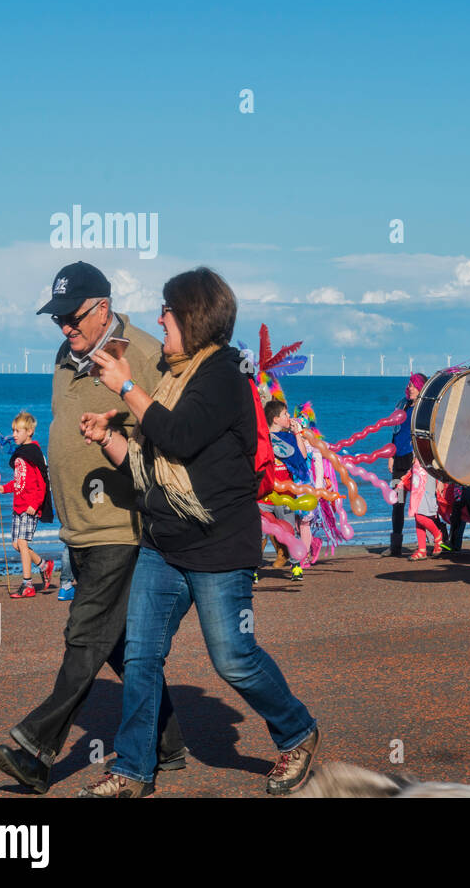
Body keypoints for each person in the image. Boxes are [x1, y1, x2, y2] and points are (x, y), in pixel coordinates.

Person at [77, 267, 318, 797]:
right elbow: (151, 460)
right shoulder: (171, 377)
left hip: (218, 546)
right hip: (164, 544)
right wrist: (109, 440)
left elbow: (180, 437)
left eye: (167, 310)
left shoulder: (223, 378)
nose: (159, 318)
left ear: (193, 316)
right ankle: (134, 768)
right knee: (141, 657)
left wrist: (125, 385)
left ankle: (296, 731)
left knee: (233, 657)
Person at [0, 260, 185, 796]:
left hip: (122, 527)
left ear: (103, 308)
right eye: (56, 319)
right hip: (80, 527)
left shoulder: (142, 354)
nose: (64, 328)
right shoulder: (66, 352)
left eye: (72, 317)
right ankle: (167, 743)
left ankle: (36, 748)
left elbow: (170, 432)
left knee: (84, 637)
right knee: (117, 644)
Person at [0, 412, 56, 598]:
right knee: (16, 545)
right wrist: (3, 489)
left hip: (30, 507)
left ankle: (27, 584)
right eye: (13, 430)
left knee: (22, 542)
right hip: (18, 505)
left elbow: (42, 484)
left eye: (17, 430)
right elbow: (19, 481)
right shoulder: (20, 454)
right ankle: (44, 565)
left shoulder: (33, 453)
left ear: (29, 431)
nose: (13, 434)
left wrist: (35, 504)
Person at [264, 399, 314, 580]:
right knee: (257, 533)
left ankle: (296, 565)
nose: (289, 417)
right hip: (264, 495)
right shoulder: (262, 438)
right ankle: (251, 569)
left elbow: (301, 457)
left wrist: (298, 434)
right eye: (285, 414)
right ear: (276, 419)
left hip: (286, 495)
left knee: (288, 532)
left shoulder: (290, 437)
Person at [387, 373, 424, 557]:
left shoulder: (424, 408)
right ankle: (395, 546)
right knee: (397, 502)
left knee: (420, 504)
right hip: (399, 459)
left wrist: (418, 458)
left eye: (414, 385)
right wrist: (391, 455)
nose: (410, 388)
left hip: (415, 459)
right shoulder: (401, 405)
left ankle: (437, 539)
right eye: (409, 385)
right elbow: (396, 431)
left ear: (421, 387)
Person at [407, 457, 443, 560]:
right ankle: (422, 550)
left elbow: (439, 455)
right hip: (417, 474)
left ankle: (437, 535)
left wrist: (440, 480)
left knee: (420, 516)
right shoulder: (413, 441)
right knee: (417, 512)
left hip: (428, 474)